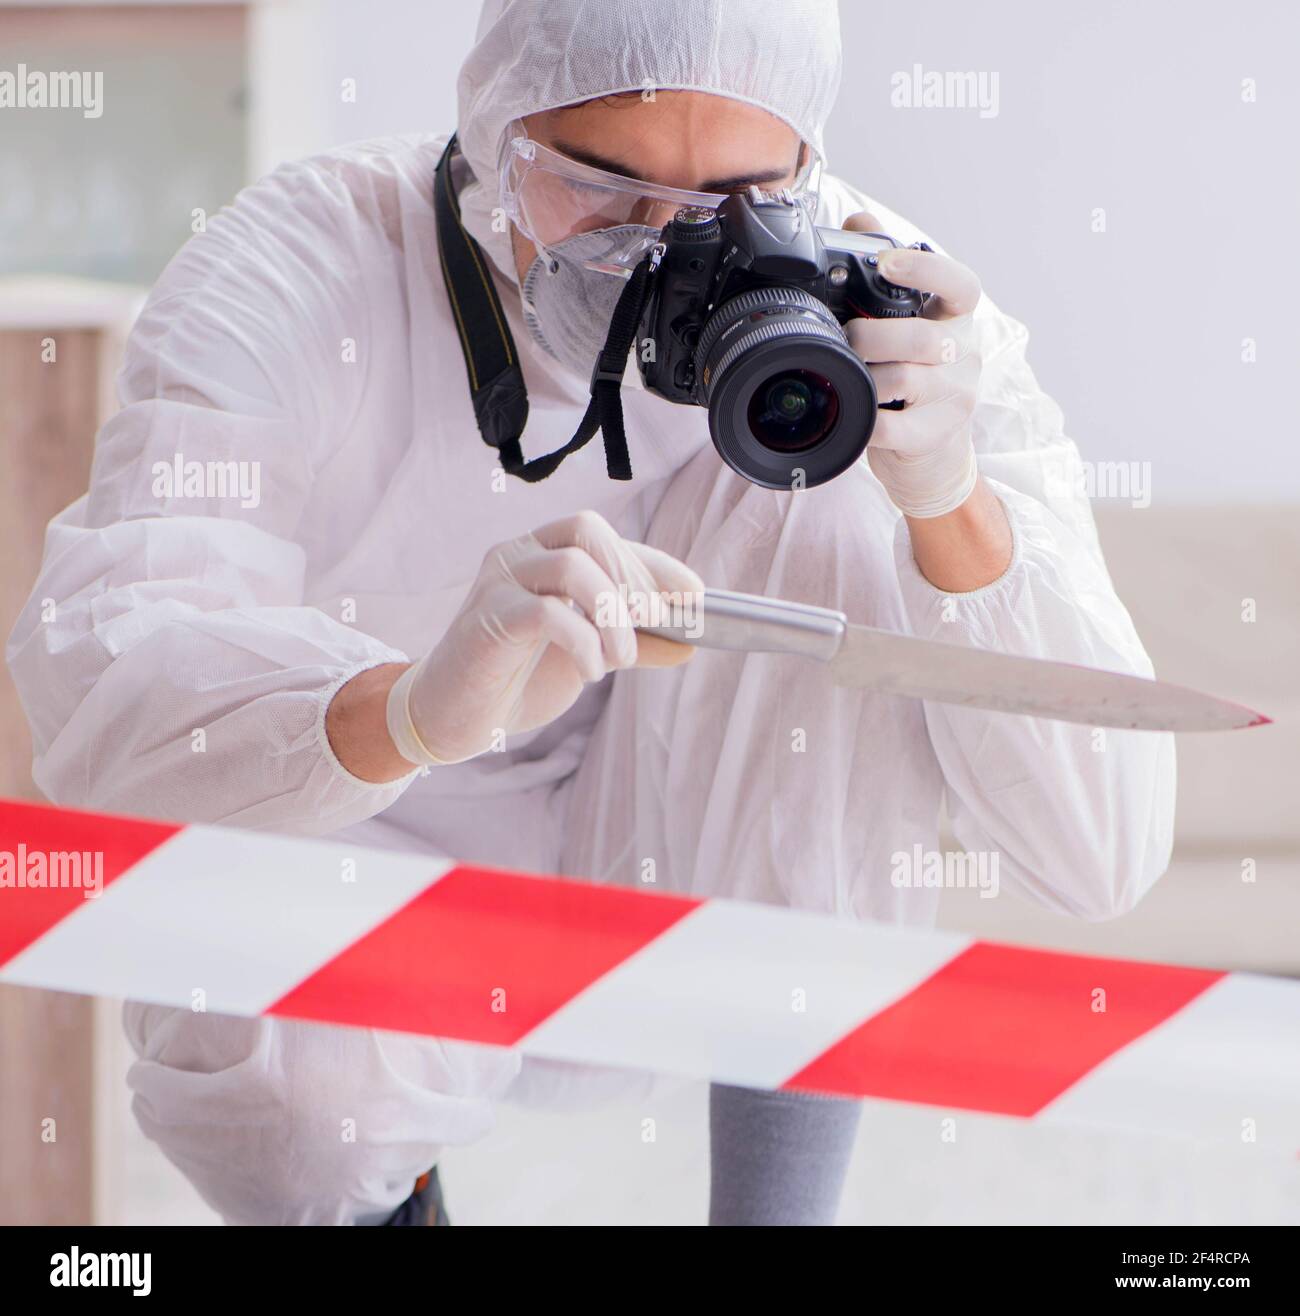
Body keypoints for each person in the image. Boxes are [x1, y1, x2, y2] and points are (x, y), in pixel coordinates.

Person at [6, 0, 1174, 1226]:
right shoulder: (298, 262)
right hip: (370, 870)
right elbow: (101, 699)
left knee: (834, 501)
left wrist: (952, 501)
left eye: (737, 196)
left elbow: (1097, 854)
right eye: (600, 187)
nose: (665, 247)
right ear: (491, 132)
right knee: (303, 1072)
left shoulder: (886, 302)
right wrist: (402, 709)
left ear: (804, 171)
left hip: (680, 893)